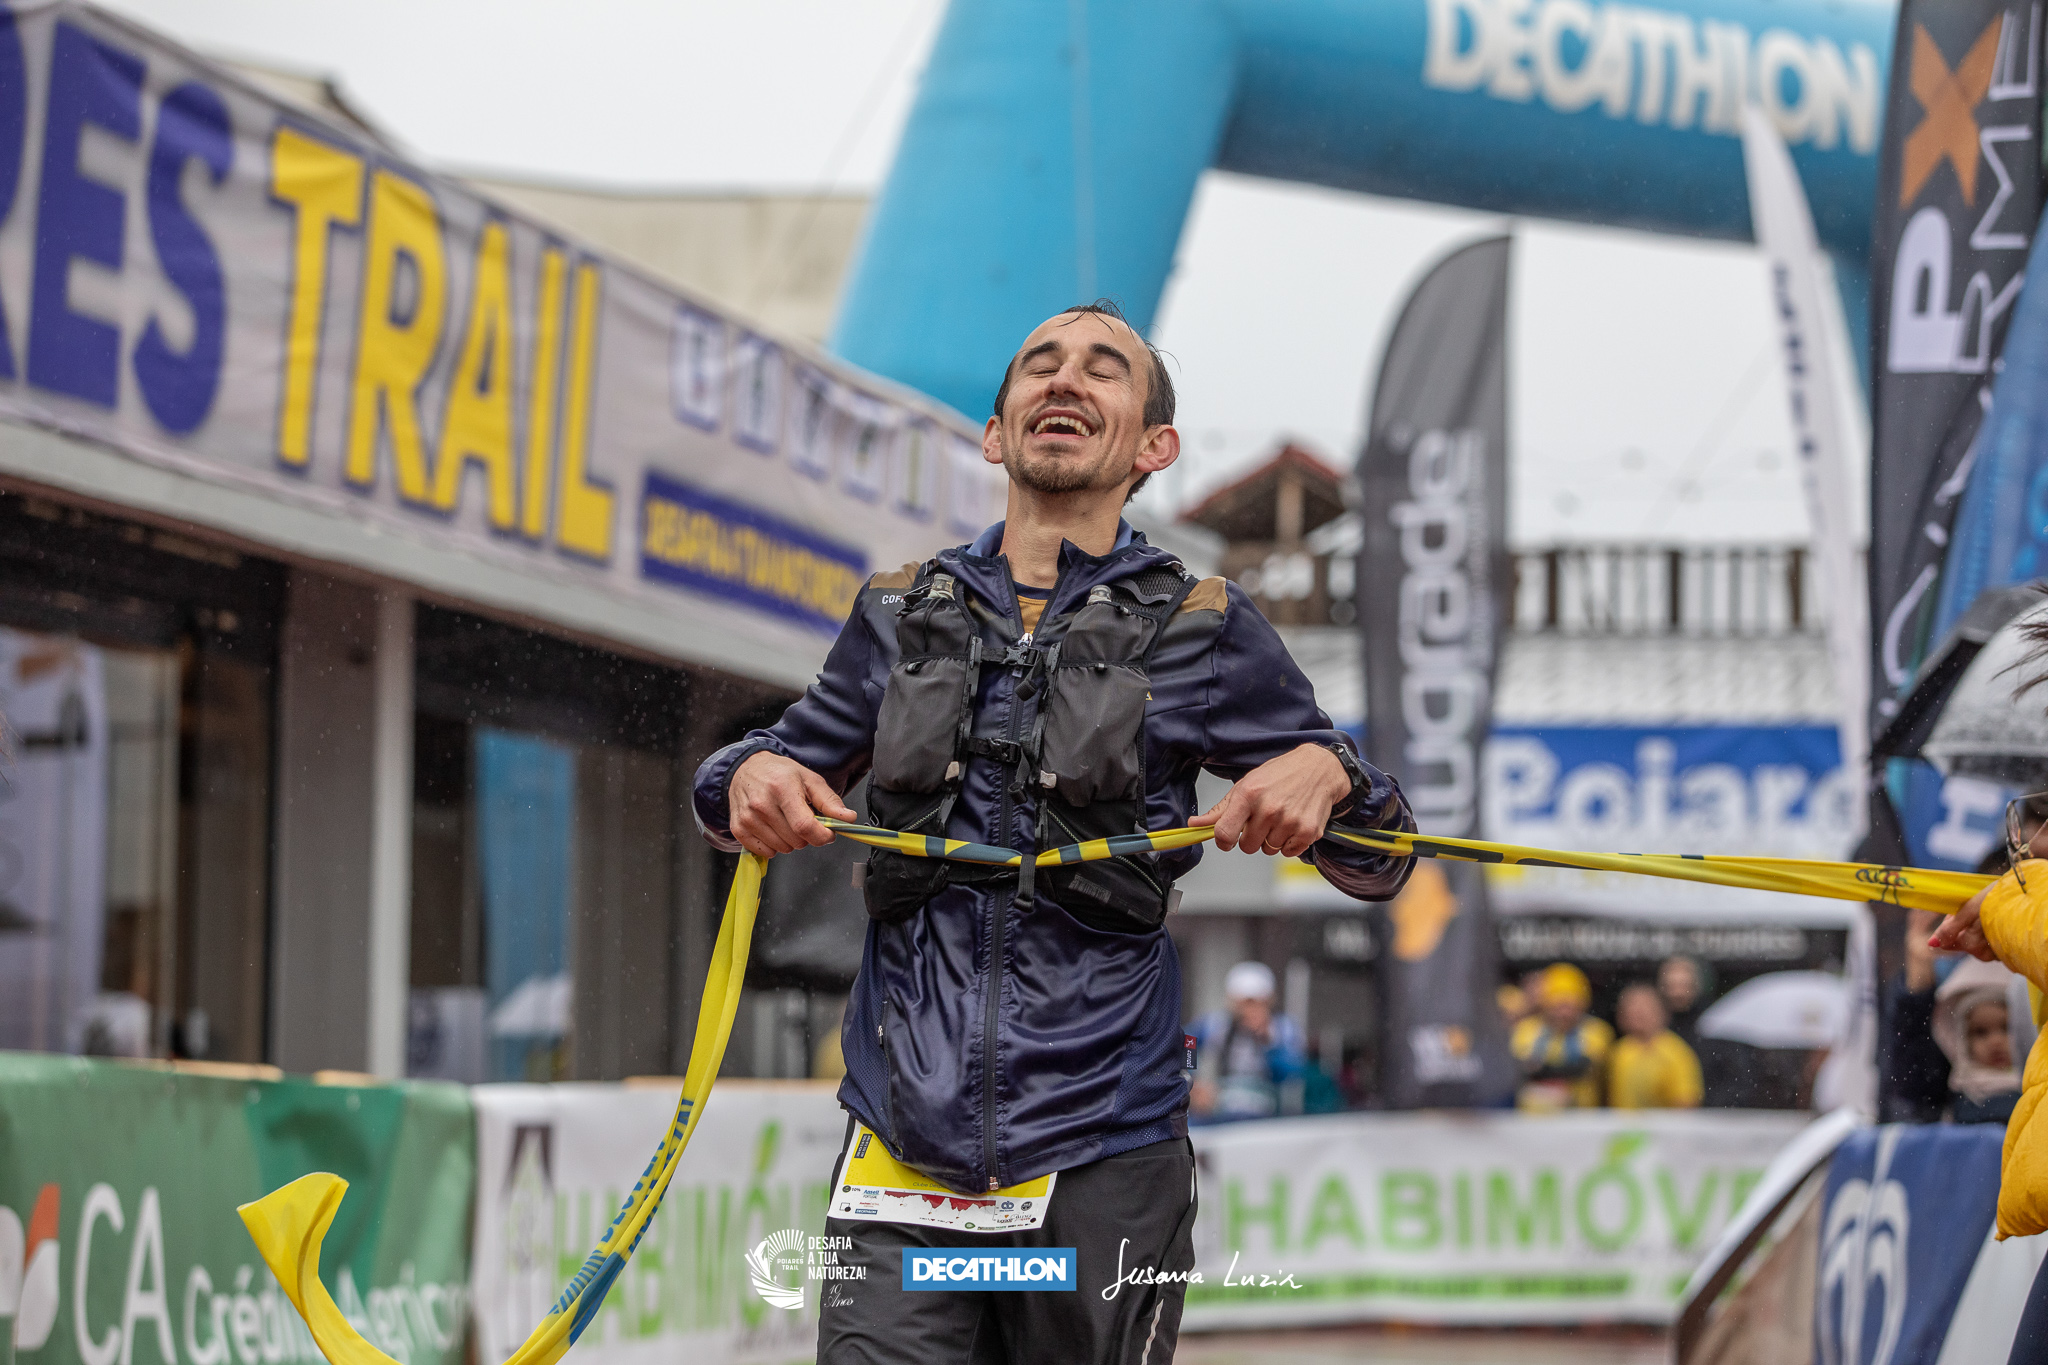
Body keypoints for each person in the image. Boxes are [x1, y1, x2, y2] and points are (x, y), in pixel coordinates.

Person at [691, 301, 1417, 1364]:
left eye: (1102, 370)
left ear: (1152, 447)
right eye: (1039, 364)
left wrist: (1329, 771)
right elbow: (750, 779)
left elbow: (1379, 855)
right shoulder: (899, 612)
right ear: (996, 433)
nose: (1063, 380)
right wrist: (743, 774)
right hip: (903, 1156)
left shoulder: (1203, 624)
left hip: (1104, 1154)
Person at [1187, 960, 1308, 1122]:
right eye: (1244, 1003)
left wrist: (1269, 1044)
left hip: (1270, 1117)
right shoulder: (1215, 1024)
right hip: (1220, 1113)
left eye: (1257, 1002)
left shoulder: (1284, 1029)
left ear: (1269, 1001)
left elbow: (1293, 1073)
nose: (1250, 1010)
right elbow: (1187, 1043)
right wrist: (1192, 1083)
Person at [1932, 956, 2023, 1125]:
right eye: (1981, 1032)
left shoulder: (2036, 1091)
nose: (1995, 1042)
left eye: (2006, 1028)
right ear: (1963, 1042)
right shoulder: (1957, 1094)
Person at [1510, 963, 1612, 1110]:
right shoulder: (1526, 1030)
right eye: (1558, 1006)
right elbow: (1521, 1069)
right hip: (1533, 1120)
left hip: (1583, 1117)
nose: (1564, 1014)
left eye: (1570, 1006)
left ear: (1582, 1004)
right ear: (1545, 1004)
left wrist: (1542, 1070)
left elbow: (1584, 1069)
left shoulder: (1597, 1032)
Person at [1606, 982, 1703, 1110]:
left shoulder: (1675, 1051)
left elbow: (1687, 1102)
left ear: (1660, 1013)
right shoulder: (1619, 1050)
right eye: (1629, 1008)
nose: (1635, 1012)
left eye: (1643, 1008)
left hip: (1663, 1127)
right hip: (1622, 1128)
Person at [1656, 954, 1709, 1050]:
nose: (1677, 993)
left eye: (1683, 985)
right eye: (1672, 986)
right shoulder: (1654, 1022)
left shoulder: (1708, 1019)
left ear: (1695, 986)